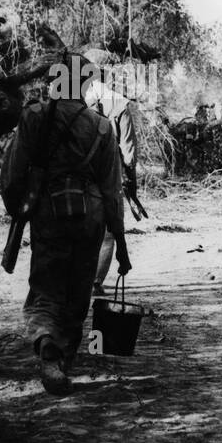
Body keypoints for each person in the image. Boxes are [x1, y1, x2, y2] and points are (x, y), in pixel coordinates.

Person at [0, 82, 131, 396]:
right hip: (91, 215)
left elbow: (14, 170)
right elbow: (112, 191)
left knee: (46, 286)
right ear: (84, 86)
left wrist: (17, 208)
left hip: (49, 210)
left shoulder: (33, 116)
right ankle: (63, 360)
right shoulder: (100, 125)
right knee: (78, 288)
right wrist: (121, 244)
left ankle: (47, 343)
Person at [83, 72, 139, 297]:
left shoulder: (71, 101)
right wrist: (130, 179)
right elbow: (128, 148)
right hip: (109, 174)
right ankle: (95, 282)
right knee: (109, 231)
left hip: (77, 175)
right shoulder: (119, 104)